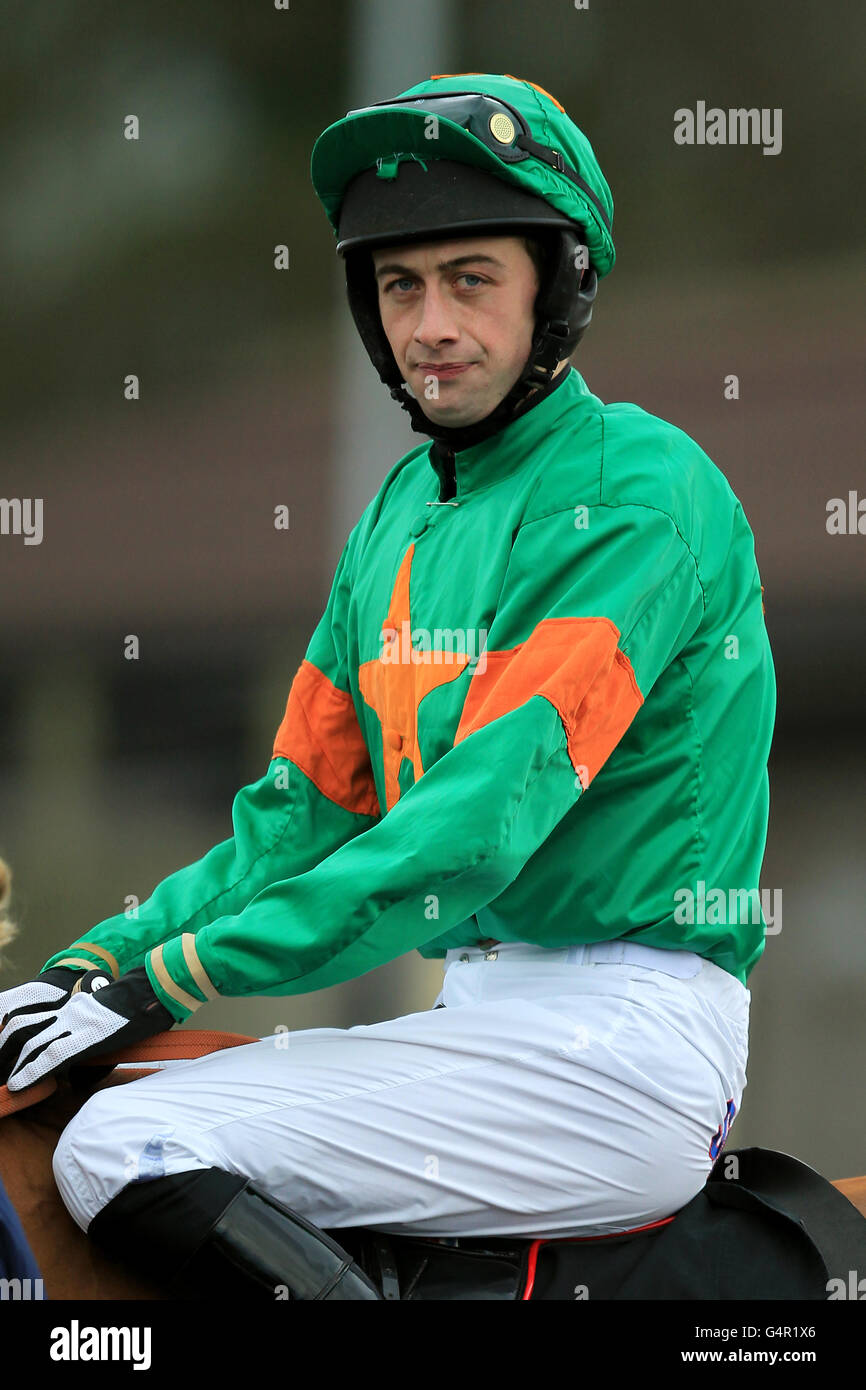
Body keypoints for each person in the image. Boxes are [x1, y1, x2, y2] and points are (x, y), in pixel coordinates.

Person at [0, 73, 775, 1299]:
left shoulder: (638, 491)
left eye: (471, 278)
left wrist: (172, 979)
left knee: (125, 1141)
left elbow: (468, 827)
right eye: (399, 286)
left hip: (620, 1046)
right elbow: (296, 819)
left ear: (557, 286)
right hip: (473, 1022)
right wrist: (92, 963)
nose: (430, 326)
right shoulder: (394, 522)